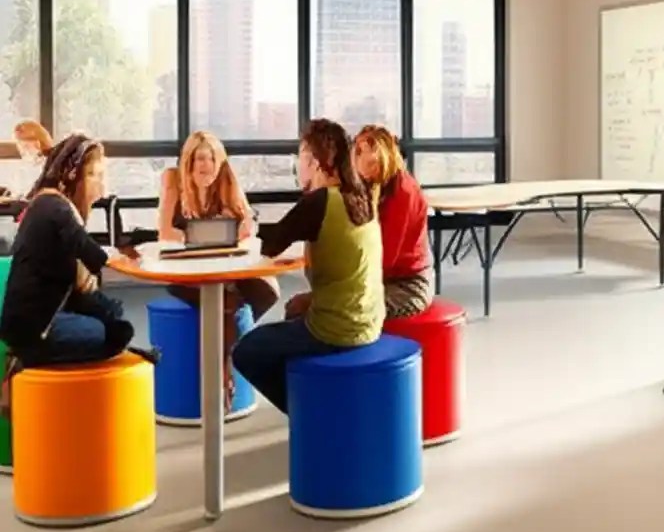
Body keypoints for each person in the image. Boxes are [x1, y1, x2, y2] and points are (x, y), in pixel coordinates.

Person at [232, 119, 384, 413]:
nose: (297, 165)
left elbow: (270, 245)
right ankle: (315, 395)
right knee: (293, 311)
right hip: (370, 320)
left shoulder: (320, 201)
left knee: (246, 351)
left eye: (299, 156)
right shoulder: (362, 196)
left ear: (314, 161)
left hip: (336, 329)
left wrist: (247, 224)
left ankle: (308, 412)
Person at [0, 135, 151, 418]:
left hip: (44, 313)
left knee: (114, 315)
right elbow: (87, 249)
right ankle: (27, 358)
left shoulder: (47, 204)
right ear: (72, 176)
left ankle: (35, 354)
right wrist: (122, 257)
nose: (99, 183)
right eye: (93, 175)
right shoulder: (54, 206)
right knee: (115, 334)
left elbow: (77, 266)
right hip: (35, 327)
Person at [158, 131, 280, 411]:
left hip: (224, 267)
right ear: (188, 161)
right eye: (200, 158)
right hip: (185, 272)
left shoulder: (226, 178)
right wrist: (211, 234)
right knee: (230, 305)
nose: (207, 164)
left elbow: (248, 223)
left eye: (212, 158)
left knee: (268, 291)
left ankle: (228, 359)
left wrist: (237, 227)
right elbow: (165, 230)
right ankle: (224, 374)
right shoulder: (172, 179)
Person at [353, 124, 434, 318]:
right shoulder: (373, 185)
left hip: (408, 286)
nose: (354, 159)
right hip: (382, 280)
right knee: (304, 305)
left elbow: (386, 258)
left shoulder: (403, 191)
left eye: (359, 152)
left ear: (377, 155)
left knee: (338, 312)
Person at [4, 120, 54, 200]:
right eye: (18, 144)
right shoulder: (26, 165)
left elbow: (23, 193)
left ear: (37, 143)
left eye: (24, 146)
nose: (20, 149)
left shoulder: (45, 166)